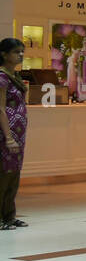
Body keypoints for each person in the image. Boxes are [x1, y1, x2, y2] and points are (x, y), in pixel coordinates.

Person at [0, 38, 29, 230]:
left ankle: (9, 215)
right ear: (4, 54)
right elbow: (0, 109)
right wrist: (8, 137)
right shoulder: (2, 78)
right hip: (5, 133)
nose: (20, 55)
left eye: (22, 51)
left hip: (18, 133)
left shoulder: (14, 76)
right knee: (4, 174)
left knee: (14, 174)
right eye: (16, 52)